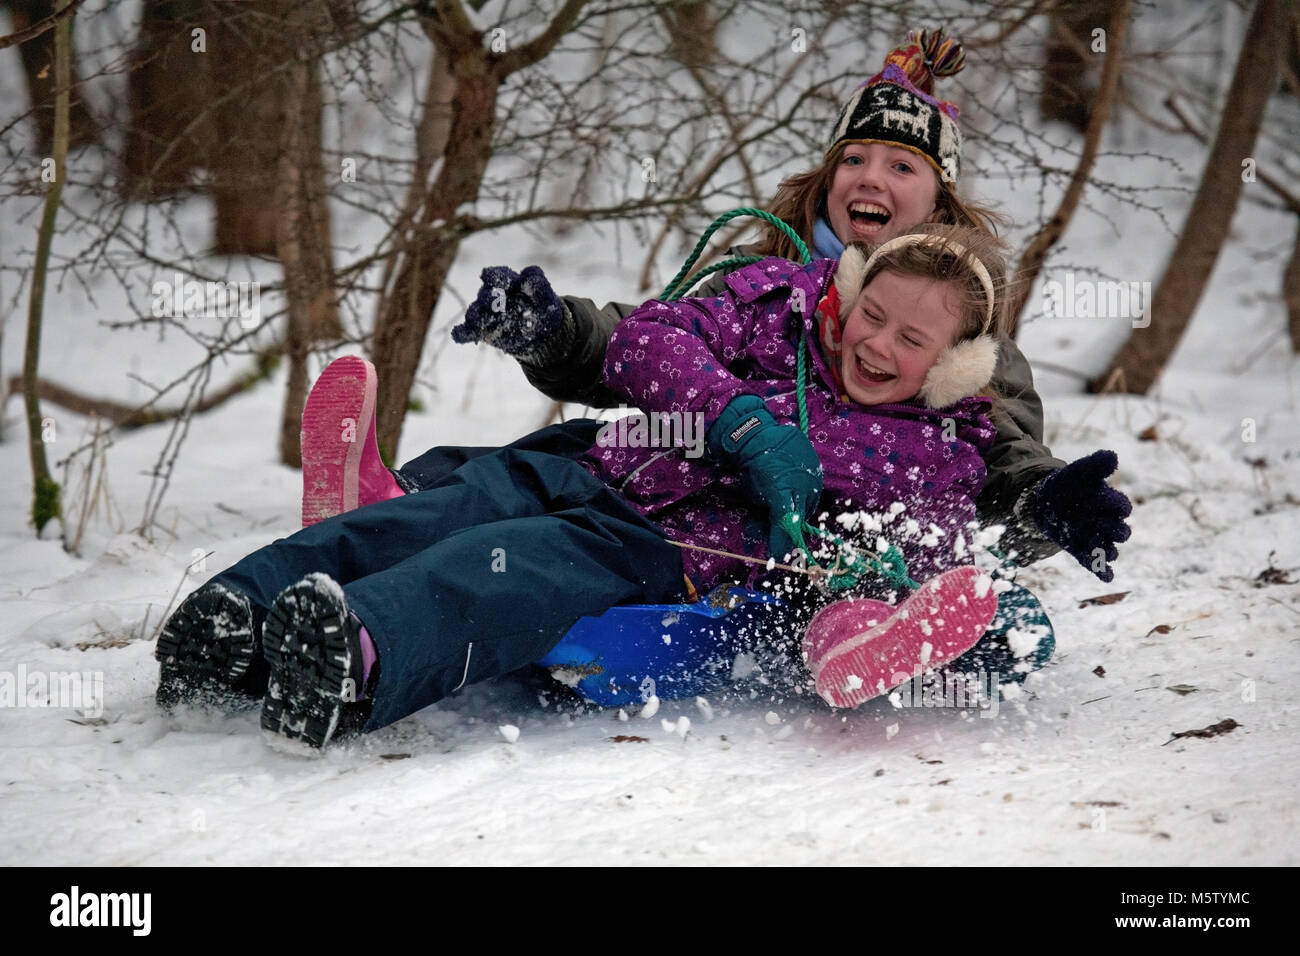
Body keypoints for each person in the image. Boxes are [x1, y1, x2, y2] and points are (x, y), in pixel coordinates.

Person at [156, 223, 1131, 749]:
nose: (873, 342)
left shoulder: (934, 442)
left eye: (907, 339)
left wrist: (1018, 506)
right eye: (869, 313)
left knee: (506, 569)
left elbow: (920, 532)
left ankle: (354, 656)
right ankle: (236, 612)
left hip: (669, 543)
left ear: (954, 364)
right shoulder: (778, 317)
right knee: (438, 508)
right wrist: (738, 416)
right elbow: (645, 341)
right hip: (591, 458)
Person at [302, 29, 1068, 578]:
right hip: (661, 470)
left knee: (556, 525)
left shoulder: (968, 343)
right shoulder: (769, 274)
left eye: (902, 165)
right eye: (854, 158)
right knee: (538, 468)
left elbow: (998, 444)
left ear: (941, 201)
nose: (870, 176)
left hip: (779, 545)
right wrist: (554, 330)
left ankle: (399, 540)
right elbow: (646, 352)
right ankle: (381, 512)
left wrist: (1044, 495)